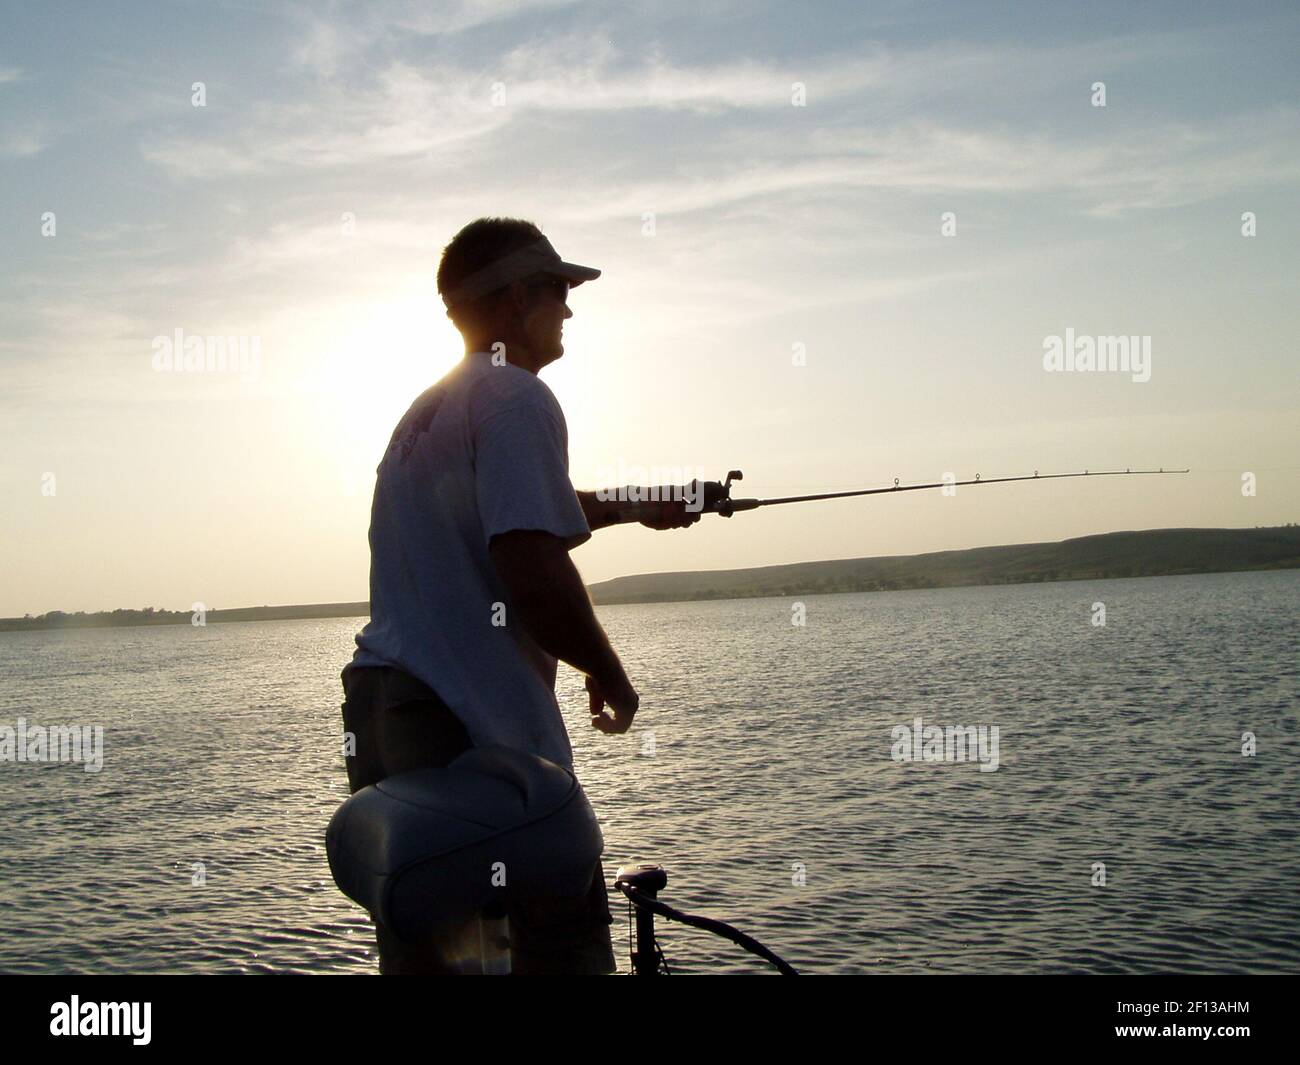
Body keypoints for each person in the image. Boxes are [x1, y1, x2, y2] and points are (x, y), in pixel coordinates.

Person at [339, 216, 700, 974]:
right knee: (559, 939)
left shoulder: (427, 412)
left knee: (440, 960)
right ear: (510, 300)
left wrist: (641, 499)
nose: (569, 306)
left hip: (388, 713)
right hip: (470, 727)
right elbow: (527, 557)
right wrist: (608, 669)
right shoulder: (516, 397)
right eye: (556, 289)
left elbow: (521, 507)